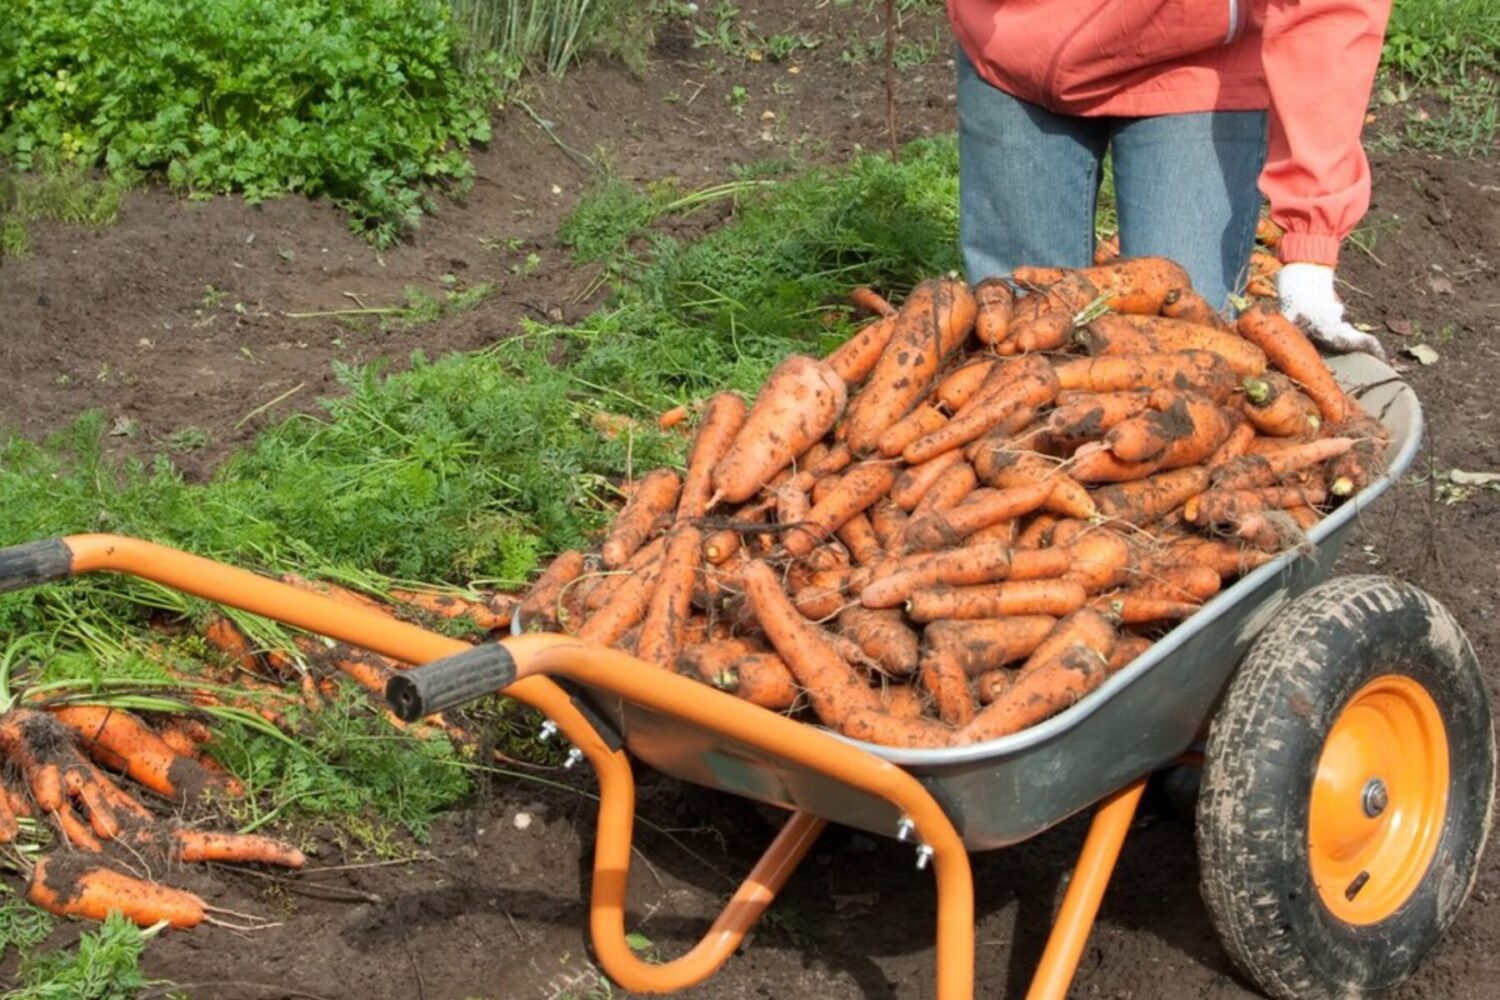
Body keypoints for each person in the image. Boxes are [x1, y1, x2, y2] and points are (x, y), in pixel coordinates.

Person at [950, 0, 1389, 357]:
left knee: (1190, 357)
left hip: (1200, 55)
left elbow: (1330, 13)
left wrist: (1312, 244)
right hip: (1012, 40)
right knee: (1015, 338)